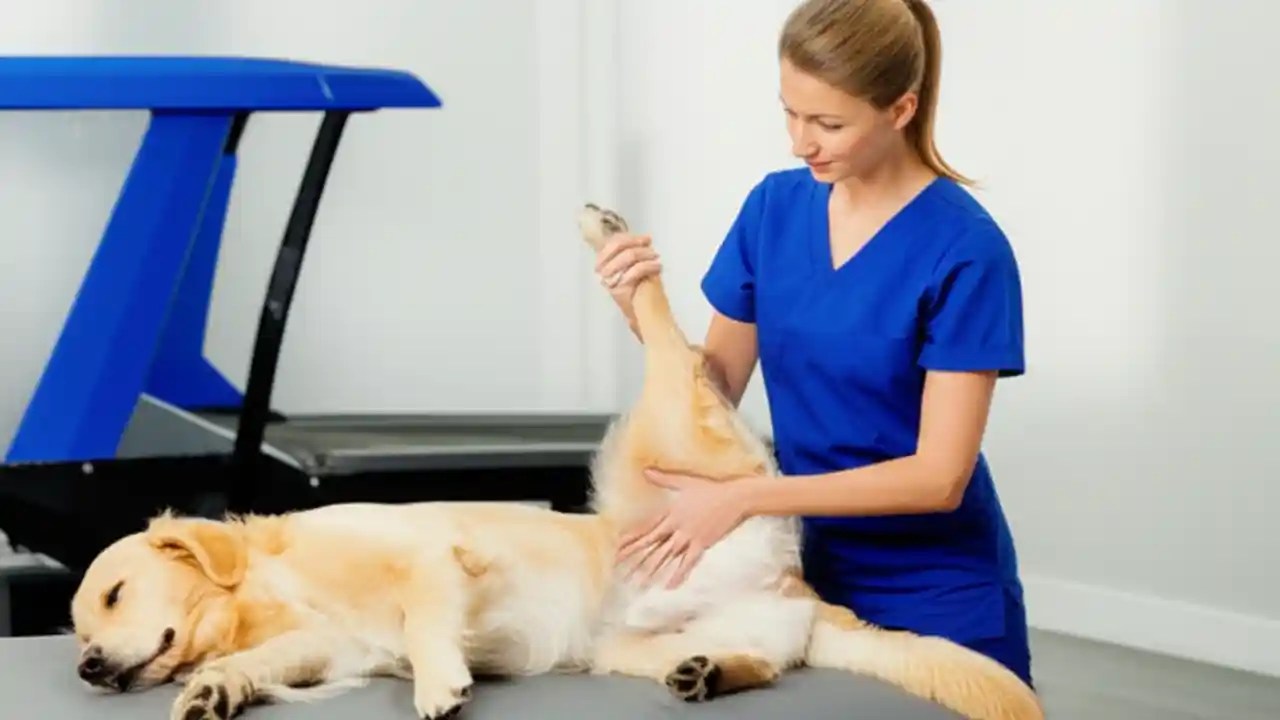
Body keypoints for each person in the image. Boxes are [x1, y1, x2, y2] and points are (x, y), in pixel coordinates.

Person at [591, 0, 1035, 691]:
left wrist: (746, 497)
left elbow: (938, 477)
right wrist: (640, 309)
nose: (801, 142)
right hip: (800, 578)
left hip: (937, 591)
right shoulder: (773, 209)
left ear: (901, 109)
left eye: (828, 123)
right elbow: (714, 395)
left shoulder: (966, 250)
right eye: (790, 114)